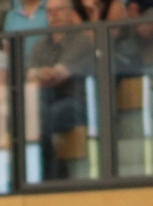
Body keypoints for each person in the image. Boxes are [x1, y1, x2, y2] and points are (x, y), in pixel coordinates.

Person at [28, 0, 93, 179]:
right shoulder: (40, 45)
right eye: (49, 11)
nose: (53, 15)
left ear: (71, 13)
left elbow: (58, 76)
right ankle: (52, 168)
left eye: (59, 10)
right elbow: (31, 78)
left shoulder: (81, 41)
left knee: (49, 115)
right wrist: (46, 74)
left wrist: (44, 74)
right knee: (35, 111)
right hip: (46, 102)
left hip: (74, 101)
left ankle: (51, 174)